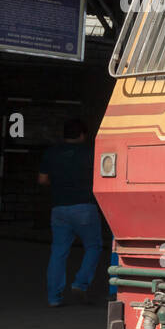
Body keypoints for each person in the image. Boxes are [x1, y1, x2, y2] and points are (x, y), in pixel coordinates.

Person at [39, 118, 102, 307]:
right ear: (82, 135)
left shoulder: (51, 153)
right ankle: (80, 284)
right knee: (94, 246)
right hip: (85, 208)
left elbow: (42, 180)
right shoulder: (91, 152)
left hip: (59, 209)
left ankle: (54, 298)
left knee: (58, 251)